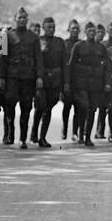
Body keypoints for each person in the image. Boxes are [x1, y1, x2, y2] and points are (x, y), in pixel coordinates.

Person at [0, 7, 45, 149]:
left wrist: (39, 76)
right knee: (9, 105)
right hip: (12, 77)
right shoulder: (7, 36)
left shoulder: (34, 37)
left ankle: (23, 139)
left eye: (24, 18)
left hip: (28, 78)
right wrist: (1, 76)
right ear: (15, 19)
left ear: (27, 19)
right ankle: (10, 132)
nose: (22, 20)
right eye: (19, 18)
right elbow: (1, 58)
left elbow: (39, 59)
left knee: (26, 108)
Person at [64, 22, 111, 146]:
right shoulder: (78, 46)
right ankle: (80, 135)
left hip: (96, 83)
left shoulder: (101, 48)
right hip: (81, 83)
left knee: (92, 109)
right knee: (83, 107)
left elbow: (107, 67)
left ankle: (88, 137)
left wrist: (107, 83)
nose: (92, 33)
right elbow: (71, 65)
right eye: (89, 30)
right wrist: (68, 82)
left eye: (93, 31)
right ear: (85, 32)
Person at [33, 16, 66, 148]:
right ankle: (36, 133)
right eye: (49, 27)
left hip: (56, 80)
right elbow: (36, 61)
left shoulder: (60, 42)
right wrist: (37, 77)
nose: (51, 29)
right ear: (43, 28)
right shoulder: (38, 41)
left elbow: (64, 63)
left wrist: (65, 82)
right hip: (42, 79)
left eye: (53, 27)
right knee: (41, 107)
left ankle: (42, 137)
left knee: (49, 107)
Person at [60, 19, 81, 140]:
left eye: (77, 28)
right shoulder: (64, 43)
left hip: (78, 79)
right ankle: (65, 127)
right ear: (68, 29)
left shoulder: (82, 44)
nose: (75, 30)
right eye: (73, 28)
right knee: (67, 106)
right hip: (67, 79)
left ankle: (75, 132)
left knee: (78, 106)